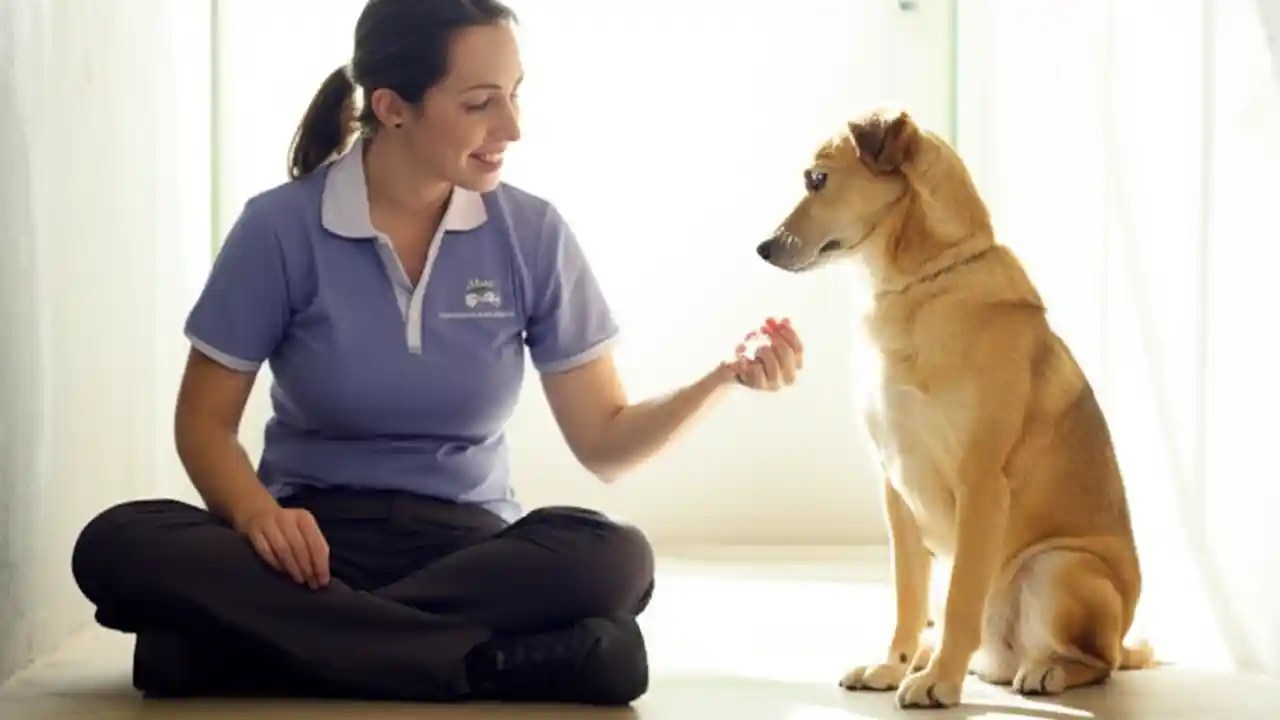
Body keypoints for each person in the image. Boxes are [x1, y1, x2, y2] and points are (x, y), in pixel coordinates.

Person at [70, 0, 805, 707]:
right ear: (393, 107)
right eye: (480, 102)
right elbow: (203, 423)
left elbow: (605, 443)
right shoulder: (280, 228)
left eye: (515, 95)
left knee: (615, 557)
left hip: (468, 553)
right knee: (117, 544)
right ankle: (477, 665)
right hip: (307, 546)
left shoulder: (531, 234)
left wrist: (722, 378)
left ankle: (259, 651)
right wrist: (257, 514)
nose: (512, 126)